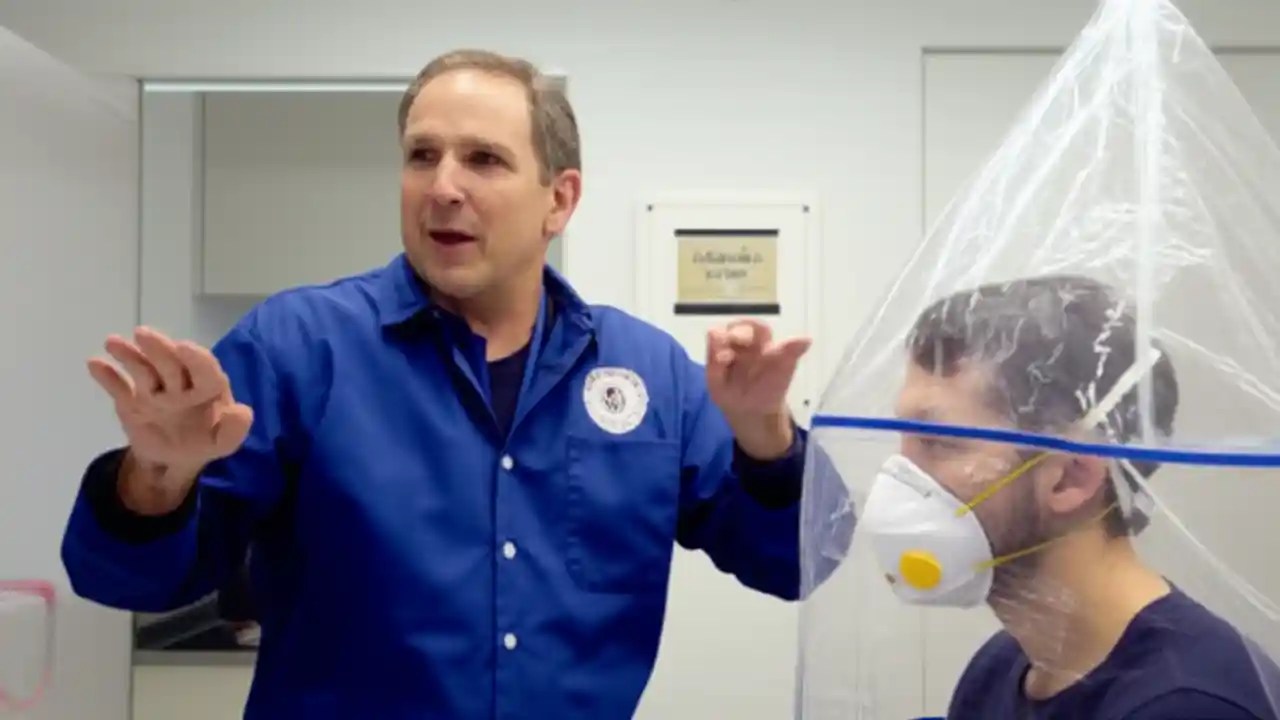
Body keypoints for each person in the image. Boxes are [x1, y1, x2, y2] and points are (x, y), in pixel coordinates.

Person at [60, 49, 848, 718]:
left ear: (559, 199)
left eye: (484, 159)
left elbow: (799, 563)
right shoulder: (299, 349)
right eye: (421, 155)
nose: (442, 185)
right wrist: (156, 478)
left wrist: (765, 440)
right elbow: (126, 578)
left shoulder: (650, 375)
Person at [860, 274, 1279, 719]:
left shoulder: (1188, 706)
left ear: (1071, 476)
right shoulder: (1001, 667)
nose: (900, 475)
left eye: (938, 441)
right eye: (902, 438)